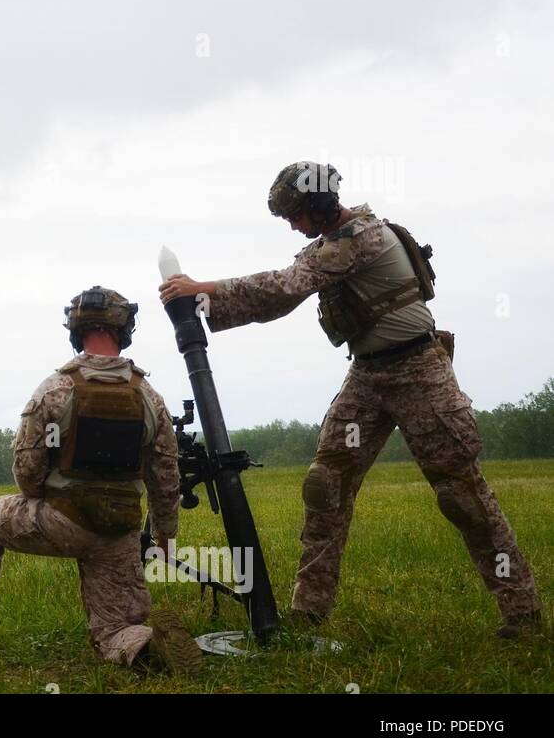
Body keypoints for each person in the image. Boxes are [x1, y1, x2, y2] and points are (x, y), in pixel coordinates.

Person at [158, 161, 541, 638]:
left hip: (420, 371)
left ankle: (521, 611)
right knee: (326, 486)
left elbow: (284, 286)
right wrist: (203, 304)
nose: (294, 225)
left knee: (462, 496)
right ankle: (310, 610)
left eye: (296, 214)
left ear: (318, 204)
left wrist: (204, 288)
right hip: (368, 376)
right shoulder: (325, 247)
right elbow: (278, 298)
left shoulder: (362, 238)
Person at [0, 286, 201, 673]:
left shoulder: (56, 389)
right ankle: (146, 646)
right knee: (116, 627)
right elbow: (166, 476)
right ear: (123, 329)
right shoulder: (150, 397)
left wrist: (39, 498)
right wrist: (165, 534)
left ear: (75, 329)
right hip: (119, 532)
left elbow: (27, 468)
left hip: (60, 520)